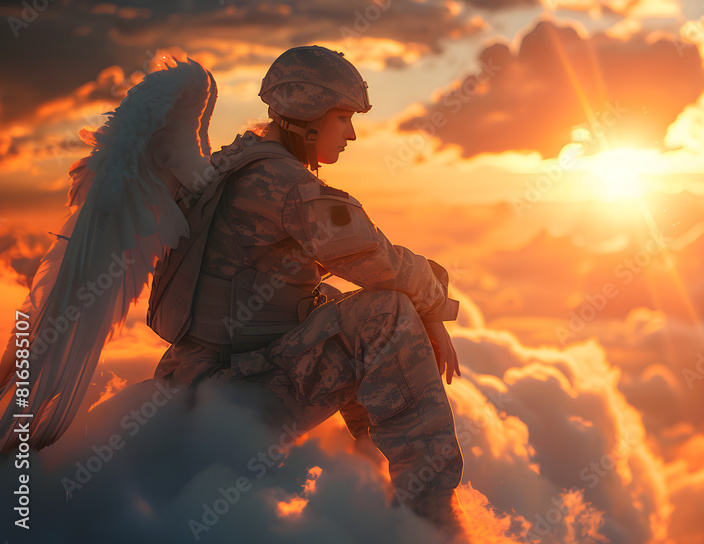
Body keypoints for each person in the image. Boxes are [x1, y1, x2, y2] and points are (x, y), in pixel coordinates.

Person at [148, 46, 467, 534]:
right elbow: (378, 262)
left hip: (193, 374)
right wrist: (434, 307)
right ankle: (432, 523)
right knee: (388, 314)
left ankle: (369, 468)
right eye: (343, 117)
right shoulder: (288, 187)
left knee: (344, 308)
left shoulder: (230, 165)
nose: (353, 133)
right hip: (236, 388)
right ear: (309, 118)